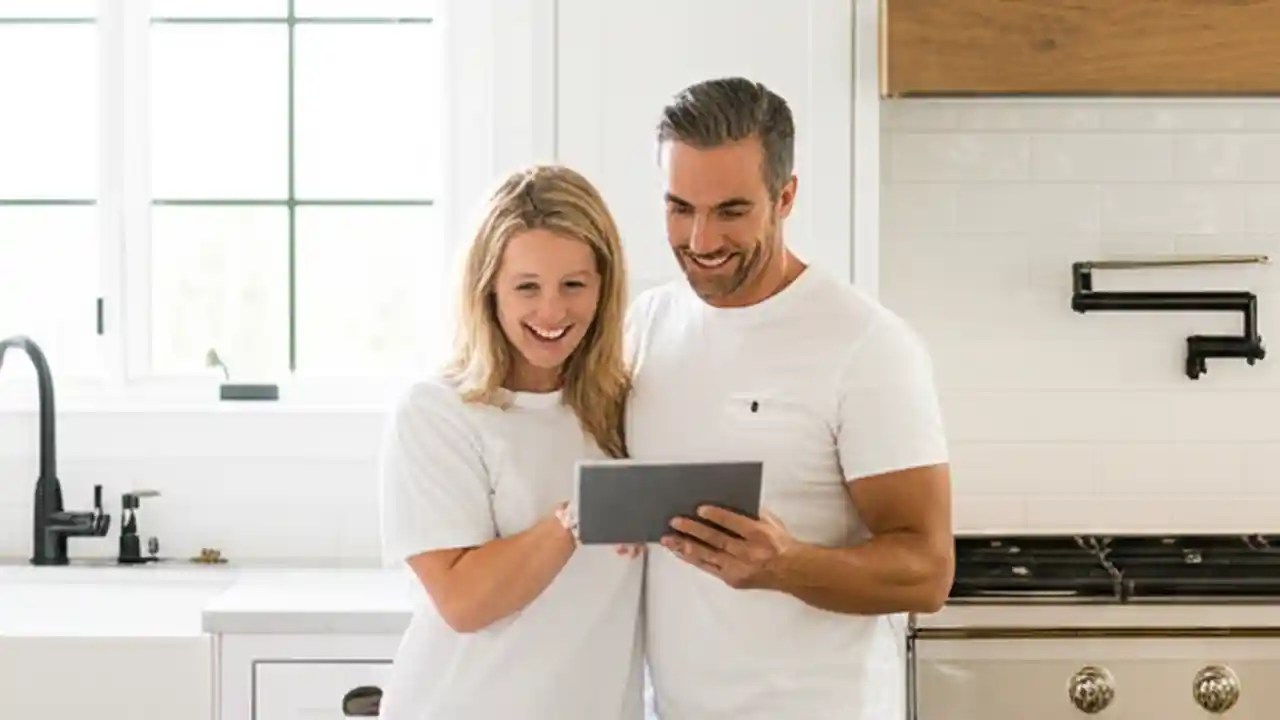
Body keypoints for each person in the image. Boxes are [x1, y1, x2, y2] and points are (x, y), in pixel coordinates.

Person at [625, 77, 955, 719]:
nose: (699, 241)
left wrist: (786, 565)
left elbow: (927, 570)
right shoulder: (646, 325)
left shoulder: (868, 346)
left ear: (785, 197)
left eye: (730, 211)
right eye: (679, 207)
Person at [377, 165, 645, 720]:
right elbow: (464, 602)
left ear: (604, 287)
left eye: (574, 285)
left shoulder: (624, 409)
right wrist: (581, 516)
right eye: (527, 287)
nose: (552, 312)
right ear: (489, 290)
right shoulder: (438, 411)